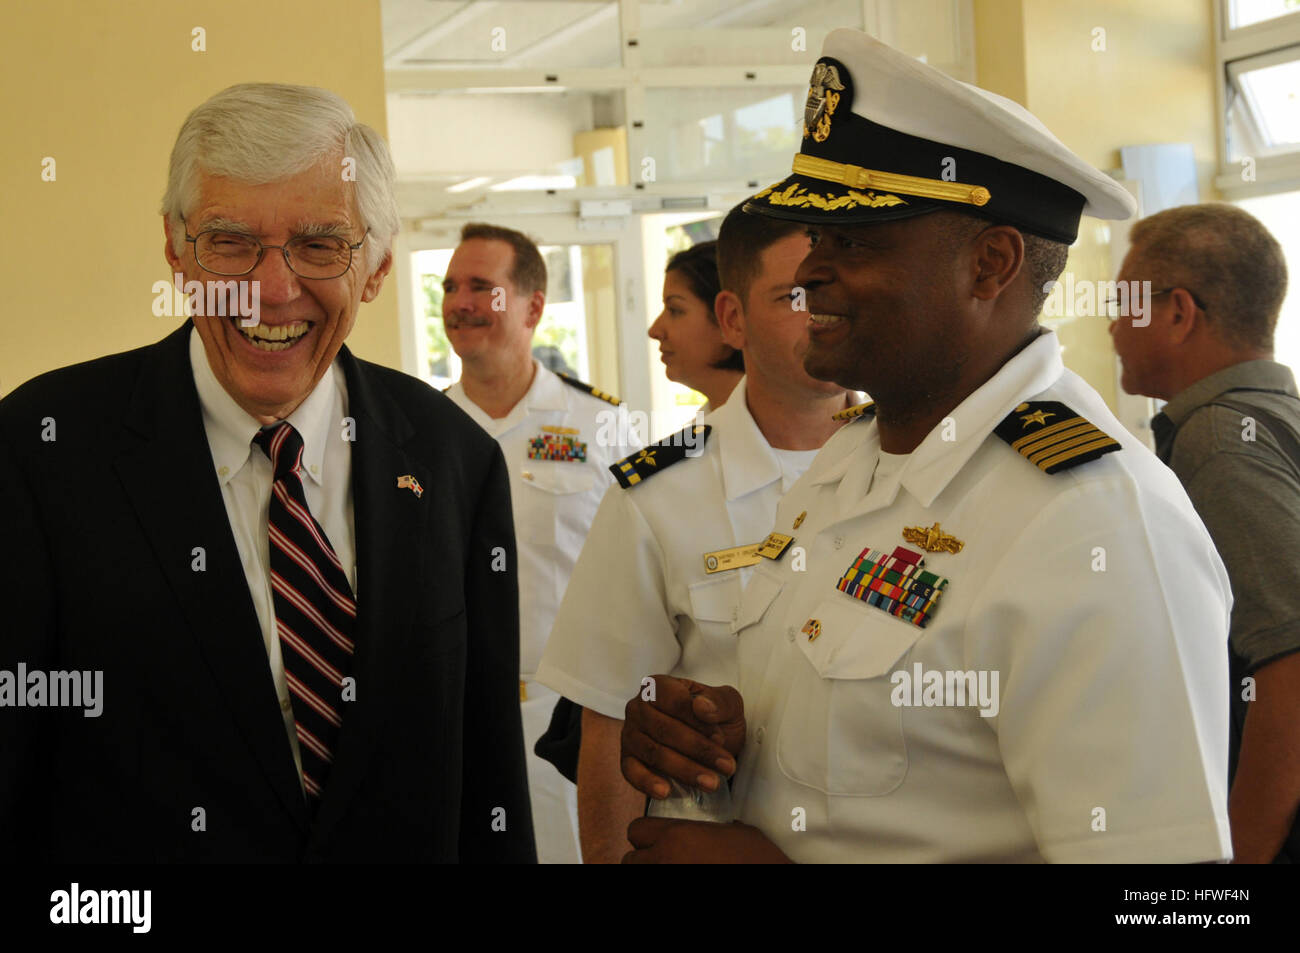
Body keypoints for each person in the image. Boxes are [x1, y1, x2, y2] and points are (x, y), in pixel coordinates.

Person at [617, 29, 1235, 863]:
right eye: (815, 237)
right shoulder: (850, 463)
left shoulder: (1096, 524)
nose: (809, 273)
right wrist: (721, 741)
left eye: (855, 242)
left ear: (990, 264)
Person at [0, 83, 534, 863]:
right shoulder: (39, 450)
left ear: (378, 267)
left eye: (320, 245)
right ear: (176, 251)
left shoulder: (455, 457)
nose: (272, 288)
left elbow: (488, 776)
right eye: (230, 241)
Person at [537, 203, 859, 863]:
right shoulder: (656, 495)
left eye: (832, 287)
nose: (821, 310)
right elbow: (609, 720)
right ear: (734, 319)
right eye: (794, 295)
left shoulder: (915, 467)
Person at [441, 222, 638, 864]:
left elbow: (642, 582)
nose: (460, 303)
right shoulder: (417, 431)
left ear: (532, 306)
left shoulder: (606, 429)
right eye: (449, 288)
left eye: (480, 286)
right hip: (451, 718)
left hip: (567, 724)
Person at [1110, 203, 1300, 864]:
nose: (1110, 325)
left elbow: (1290, 675)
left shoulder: (1221, 442)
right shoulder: (1273, 418)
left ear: (1177, 313)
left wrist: (1236, 873)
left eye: (1123, 303)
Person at [649, 241, 743, 412]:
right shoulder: (700, 433)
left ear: (730, 320)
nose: (654, 331)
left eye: (675, 310)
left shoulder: (782, 434)